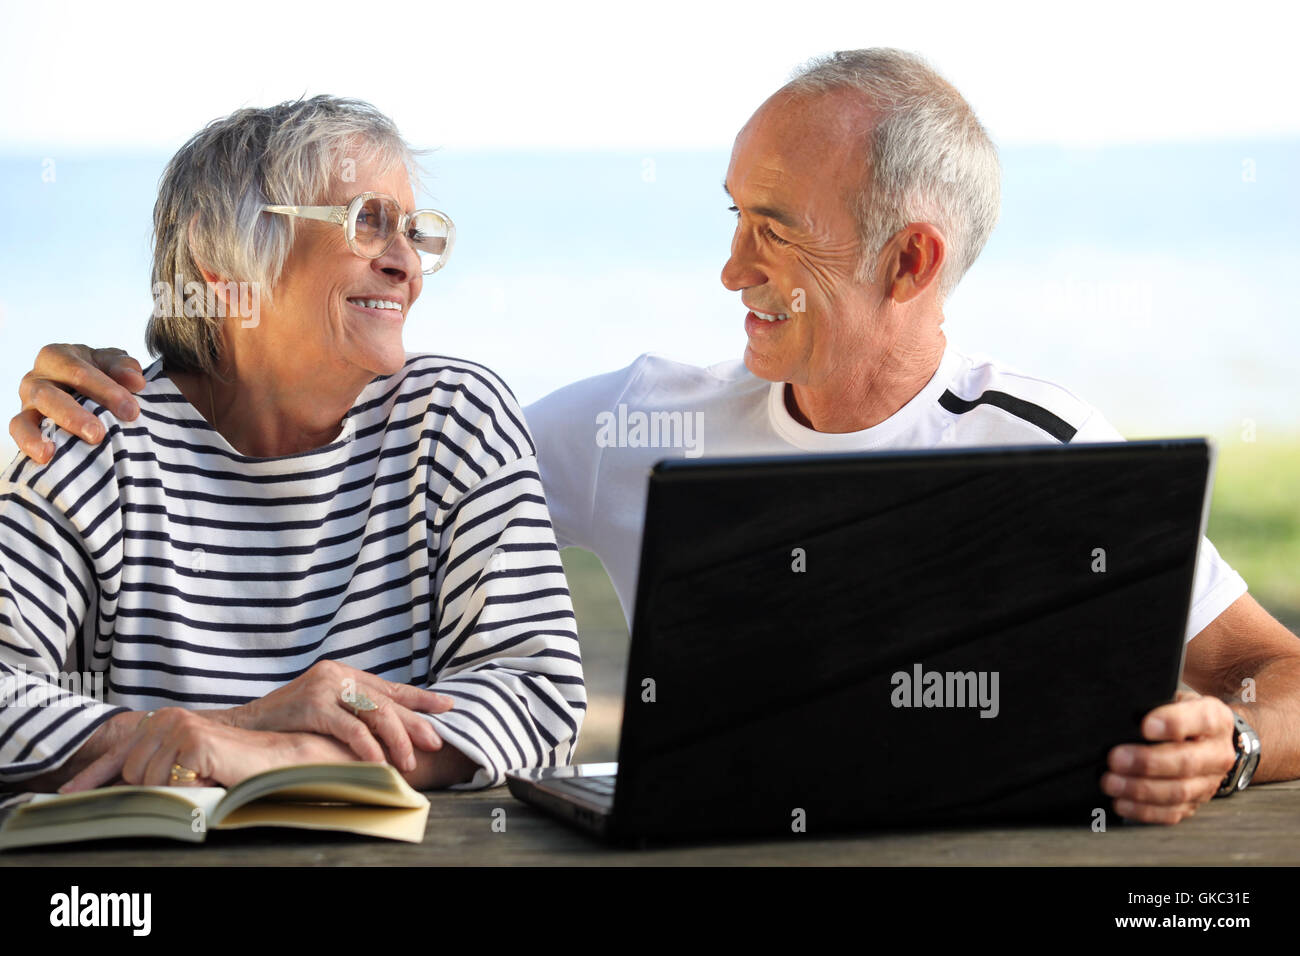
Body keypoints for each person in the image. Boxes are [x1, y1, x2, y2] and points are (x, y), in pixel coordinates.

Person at [14, 51, 1299, 825]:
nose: (726, 264)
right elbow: (334, 444)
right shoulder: (620, 419)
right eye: (731, 213)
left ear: (909, 259)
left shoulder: (1054, 448)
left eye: (773, 228)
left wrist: (1230, 740)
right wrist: (142, 364)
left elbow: (1271, 676)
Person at [0, 95, 584, 794]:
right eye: (367, 223)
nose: (407, 264)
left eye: (411, 230)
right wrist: (235, 727)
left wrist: (280, 759)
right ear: (222, 261)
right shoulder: (97, 445)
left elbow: (536, 696)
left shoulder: (455, 421)